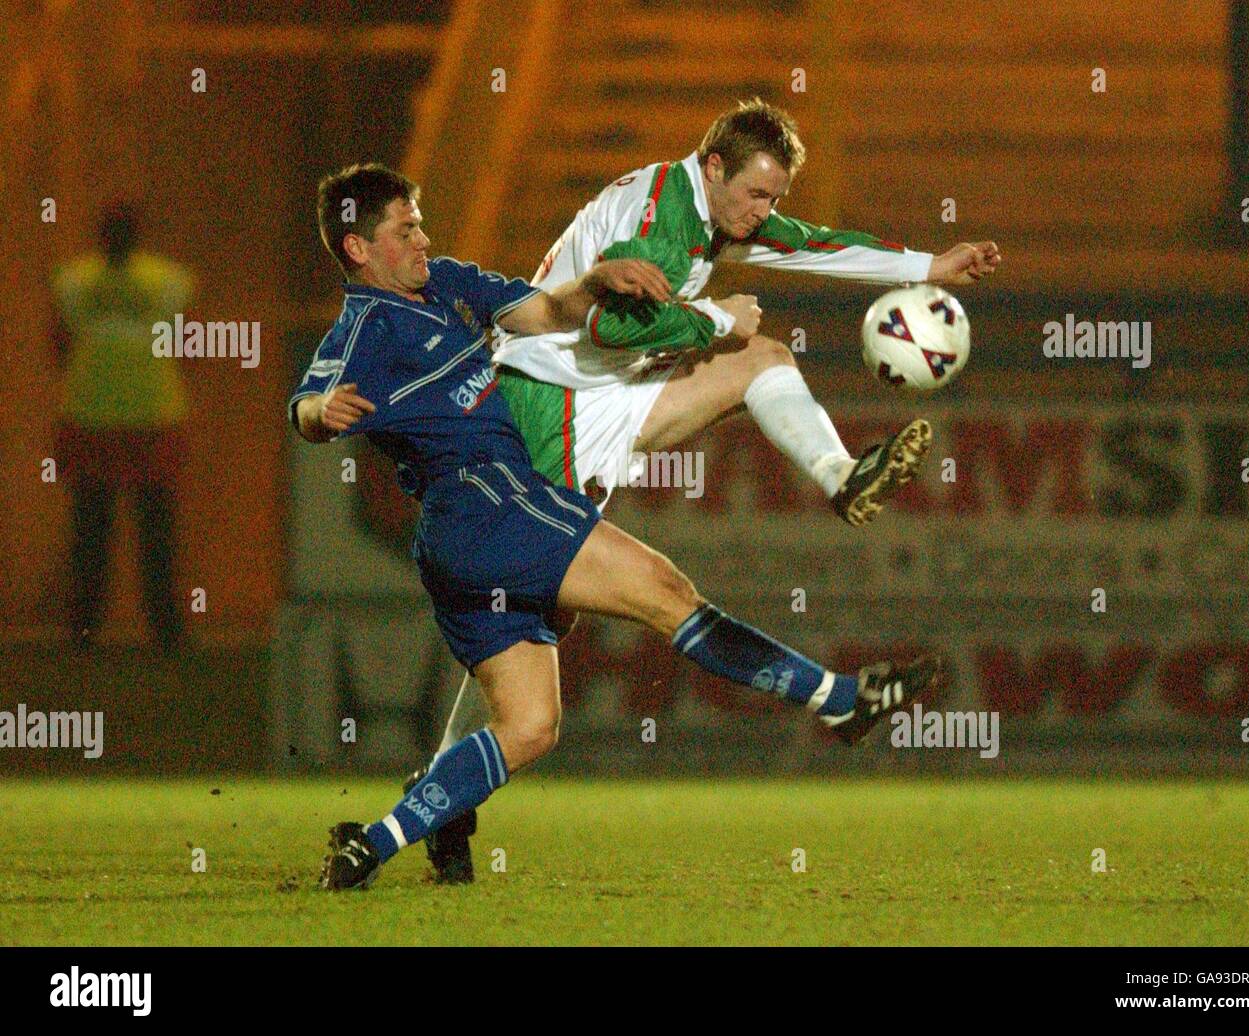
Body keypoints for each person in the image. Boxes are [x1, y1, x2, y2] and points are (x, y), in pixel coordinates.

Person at [293, 163, 944, 890]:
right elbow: (310, 401)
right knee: (668, 594)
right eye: (405, 229)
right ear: (357, 250)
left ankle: (369, 847)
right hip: (492, 501)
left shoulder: (441, 283)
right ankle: (840, 700)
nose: (422, 237)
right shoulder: (367, 326)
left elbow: (544, 313)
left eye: (420, 222)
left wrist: (596, 282)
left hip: (453, 540)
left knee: (530, 726)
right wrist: (319, 414)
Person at [414, 98, 1002, 882]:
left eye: (775, 198)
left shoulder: (716, 208)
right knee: (533, 620)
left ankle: (839, 476)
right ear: (714, 167)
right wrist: (712, 320)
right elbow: (609, 328)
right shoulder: (661, 214)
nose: (766, 212)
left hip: (600, 393)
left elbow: (813, 245)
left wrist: (930, 267)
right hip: (545, 395)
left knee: (762, 359)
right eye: (758, 194)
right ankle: (442, 804)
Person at [52, 202, 193, 652]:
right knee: (153, 531)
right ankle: (164, 630)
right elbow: (188, 341)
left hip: (94, 416)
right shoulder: (168, 281)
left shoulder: (73, 282)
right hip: (151, 415)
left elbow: (59, 341)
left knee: (92, 529)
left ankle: (85, 629)